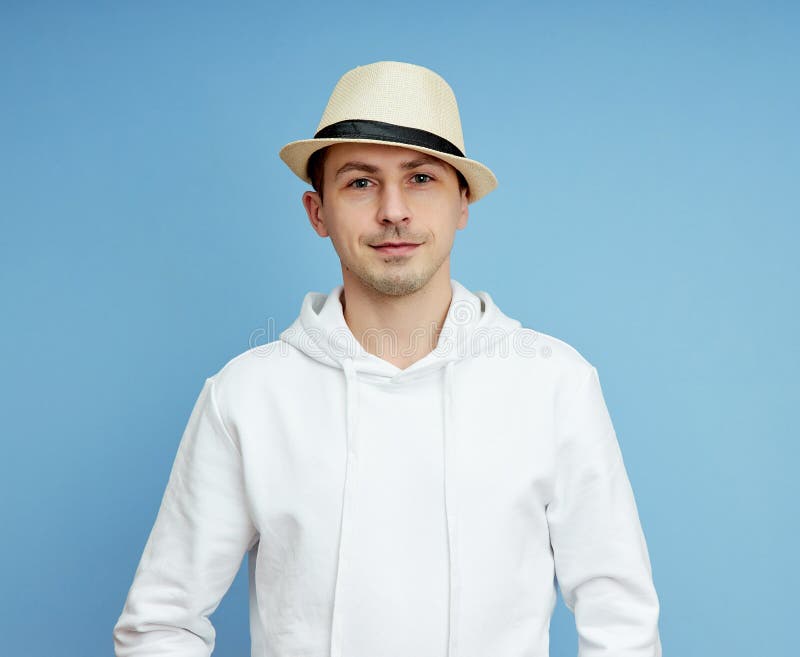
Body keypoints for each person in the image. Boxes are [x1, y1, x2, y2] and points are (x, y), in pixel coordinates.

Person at [113, 61, 662, 657]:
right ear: (316, 212)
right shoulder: (246, 396)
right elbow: (161, 624)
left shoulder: (553, 382)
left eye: (422, 178)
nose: (394, 211)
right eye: (360, 182)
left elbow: (621, 620)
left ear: (463, 204)